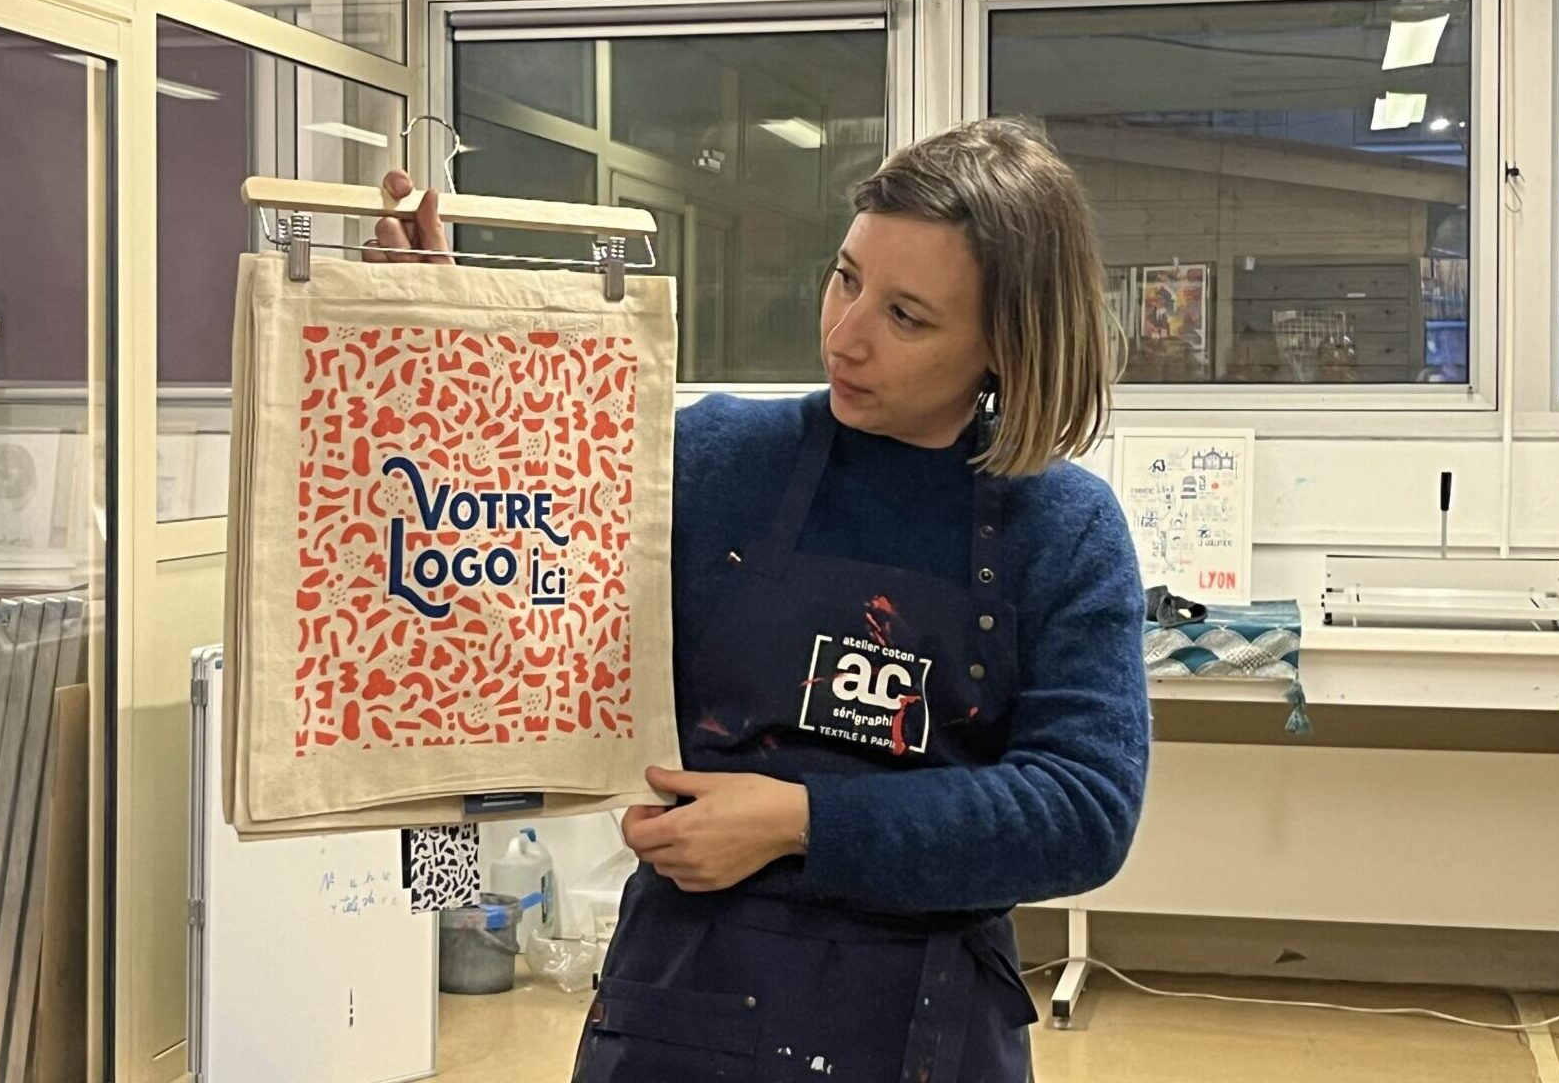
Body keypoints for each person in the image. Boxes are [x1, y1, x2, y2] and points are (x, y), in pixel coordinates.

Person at [369, 116, 1149, 1082]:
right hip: (683, 999)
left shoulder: (1061, 528)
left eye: (906, 317)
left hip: (928, 1022)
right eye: (845, 278)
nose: (845, 335)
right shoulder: (714, 461)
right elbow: (502, 566)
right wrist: (439, 362)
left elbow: (1082, 811)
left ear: (1005, 343)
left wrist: (799, 819)